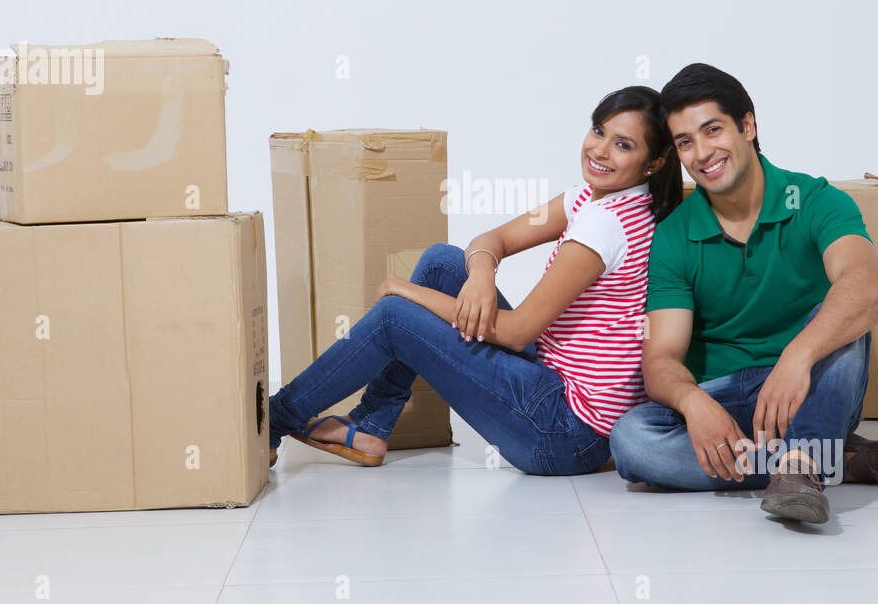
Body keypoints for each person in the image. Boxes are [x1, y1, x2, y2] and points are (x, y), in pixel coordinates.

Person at [268, 86, 684, 475]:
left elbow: (518, 332)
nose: (601, 150)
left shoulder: (606, 225)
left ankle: (272, 422)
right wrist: (483, 273)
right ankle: (373, 423)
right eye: (599, 131)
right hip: (552, 376)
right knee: (440, 263)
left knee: (395, 316)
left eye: (623, 145)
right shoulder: (593, 196)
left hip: (563, 431)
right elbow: (494, 239)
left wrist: (408, 293)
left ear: (653, 164)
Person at [609, 63, 878, 524]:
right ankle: (831, 458)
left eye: (712, 130)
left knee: (842, 311)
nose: (702, 153)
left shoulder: (816, 200)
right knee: (632, 441)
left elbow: (869, 286)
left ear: (747, 125)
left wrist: (796, 358)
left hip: (809, 389)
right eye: (685, 142)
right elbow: (660, 358)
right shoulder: (674, 235)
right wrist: (694, 404)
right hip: (722, 398)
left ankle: (802, 466)